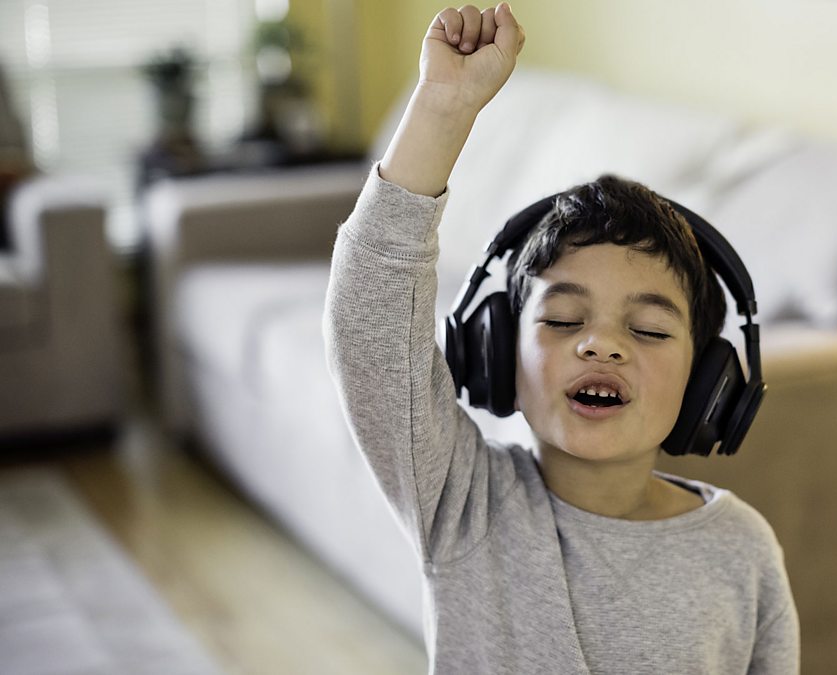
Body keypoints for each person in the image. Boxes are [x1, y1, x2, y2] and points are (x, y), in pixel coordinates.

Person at [323, 4, 800, 672]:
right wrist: (443, 107)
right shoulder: (462, 503)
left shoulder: (742, 550)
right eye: (564, 319)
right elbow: (367, 320)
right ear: (496, 355)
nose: (602, 344)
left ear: (707, 384)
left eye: (649, 328)